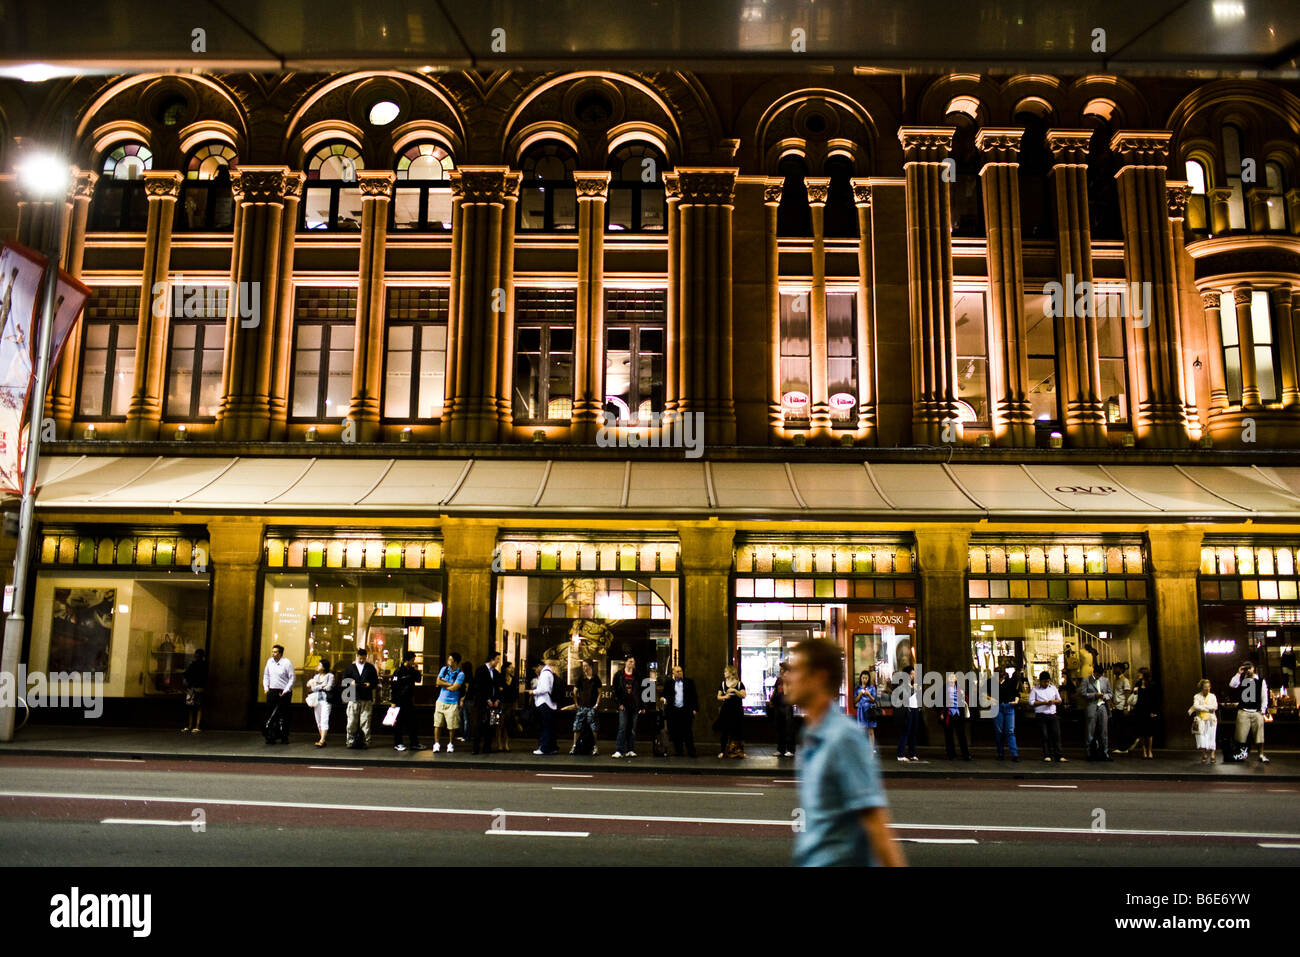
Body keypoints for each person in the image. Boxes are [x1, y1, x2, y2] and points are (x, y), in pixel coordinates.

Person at [786, 638, 906, 867]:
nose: (788, 677)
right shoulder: (811, 737)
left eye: (796, 670)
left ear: (818, 677)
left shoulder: (843, 737)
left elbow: (875, 822)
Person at [1229, 660, 1270, 764]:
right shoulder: (1242, 678)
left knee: (1259, 735)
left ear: (1253, 668)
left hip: (1256, 711)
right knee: (1241, 735)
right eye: (1246, 668)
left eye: (1249, 667)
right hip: (1244, 711)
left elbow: (1264, 695)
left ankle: (1261, 754)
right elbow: (1232, 685)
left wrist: (1263, 710)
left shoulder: (1260, 680)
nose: (1248, 670)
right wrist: (1239, 673)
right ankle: (1242, 754)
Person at [343, 648, 378, 749]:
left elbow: (375, 681)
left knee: (365, 721)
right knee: (352, 721)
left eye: (363, 658)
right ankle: (350, 741)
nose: (362, 660)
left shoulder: (370, 668)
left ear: (366, 657)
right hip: (354, 697)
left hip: (366, 697)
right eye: (360, 658)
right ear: (356, 656)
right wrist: (350, 683)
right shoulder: (350, 668)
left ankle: (366, 741)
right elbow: (344, 681)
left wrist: (370, 684)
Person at [389, 650, 424, 752]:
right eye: (412, 660)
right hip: (399, 701)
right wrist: (393, 702)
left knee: (412, 723)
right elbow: (394, 687)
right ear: (407, 660)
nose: (414, 662)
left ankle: (414, 743)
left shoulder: (412, 671)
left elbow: (418, 680)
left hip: (409, 700)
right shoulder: (398, 672)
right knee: (398, 724)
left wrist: (416, 670)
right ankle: (398, 743)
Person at [1028, 671, 1065, 763]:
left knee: (1056, 735)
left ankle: (1059, 755)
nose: (1046, 683)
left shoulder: (1053, 688)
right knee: (1044, 735)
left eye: (1047, 681)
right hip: (1041, 715)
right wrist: (1043, 703)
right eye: (1044, 682)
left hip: (1052, 714)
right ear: (1040, 681)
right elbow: (1031, 702)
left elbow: (1059, 700)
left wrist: (1053, 701)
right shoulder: (1035, 690)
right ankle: (1047, 754)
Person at [663, 664, 698, 757]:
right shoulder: (669, 683)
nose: (680, 673)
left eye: (681, 671)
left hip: (686, 710)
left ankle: (691, 751)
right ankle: (679, 751)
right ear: (673, 673)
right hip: (674, 710)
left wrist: (695, 708)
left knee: (688, 732)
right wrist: (663, 699)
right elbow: (664, 695)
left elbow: (694, 696)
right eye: (677, 671)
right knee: (675, 732)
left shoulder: (689, 682)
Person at [262, 644, 295, 745]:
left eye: (275, 652)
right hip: (272, 690)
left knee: (284, 714)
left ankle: (284, 736)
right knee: (270, 714)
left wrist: (286, 690)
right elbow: (266, 675)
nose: (273, 654)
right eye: (272, 652)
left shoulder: (286, 663)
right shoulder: (269, 661)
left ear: (280, 653)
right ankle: (270, 736)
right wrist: (266, 688)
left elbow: (292, 678)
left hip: (283, 691)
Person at [1080, 663, 1113, 761]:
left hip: (1102, 706)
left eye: (1100, 675)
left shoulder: (1105, 680)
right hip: (1092, 706)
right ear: (1094, 672)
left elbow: (1110, 693)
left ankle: (1104, 753)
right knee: (1090, 730)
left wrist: (1105, 696)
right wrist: (1094, 695)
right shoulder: (1086, 680)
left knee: (1104, 731)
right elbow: (1083, 693)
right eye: (1097, 675)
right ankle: (1089, 753)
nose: (1099, 677)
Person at [432, 652, 463, 753]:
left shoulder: (460, 674)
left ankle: (450, 744)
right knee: (437, 724)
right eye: (448, 660)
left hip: (452, 702)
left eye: (451, 660)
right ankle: (436, 744)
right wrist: (449, 684)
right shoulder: (444, 669)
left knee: (451, 725)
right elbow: (438, 682)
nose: (449, 662)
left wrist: (443, 684)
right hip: (441, 700)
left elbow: (455, 688)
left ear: (456, 662)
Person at [570, 658, 602, 755]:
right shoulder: (581, 678)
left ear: (590, 666)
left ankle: (595, 747)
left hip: (592, 706)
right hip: (582, 706)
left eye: (586, 666)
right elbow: (574, 691)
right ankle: (574, 746)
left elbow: (600, 692)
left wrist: (597, 704)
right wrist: (576, 703)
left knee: (593, 727)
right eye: (583, 666)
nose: (584, 668)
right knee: (577, 726)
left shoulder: (596, 678)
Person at [472, 652, 502, 755]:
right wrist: (487, 700)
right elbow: (478, 687)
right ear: (492, 659)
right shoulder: (480, 670)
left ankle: (487, 747)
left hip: (495, 704)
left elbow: (499, 688)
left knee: (492, 725)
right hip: (482, 704)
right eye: (497, 659)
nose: (498, 661)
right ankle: (476, 748)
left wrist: (497, 700)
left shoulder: (497, 673)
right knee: (480, 725)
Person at [715, 665, 746, 759]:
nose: (724, 673)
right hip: (726, 710)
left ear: (731, 673)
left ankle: (739, 751)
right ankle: (722, 750)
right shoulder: (723, 684)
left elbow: (743, 695)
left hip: (736, 710)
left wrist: (735, 690)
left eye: (726, 672)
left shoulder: (739, 684)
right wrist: (725, 697)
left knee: (738, 731)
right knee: (724, 731)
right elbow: (718, 696)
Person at [612, 656, 641, 758]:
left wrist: (641, 705)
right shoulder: (619, 675)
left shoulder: (637, 675)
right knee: (622, 727)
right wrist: (619, 703)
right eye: (630, 661)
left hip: (634, 705)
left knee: (632, 729)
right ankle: (619, 750)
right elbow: (614, 690)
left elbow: (641, 691)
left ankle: (630, 749)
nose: (632, 663)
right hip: (623, 705)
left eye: (633, 662)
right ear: (625, 662)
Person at [532, 658, 562, 755]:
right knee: (550, 726)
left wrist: (533, 692)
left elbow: (544, 689)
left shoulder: (545, 674)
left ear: (539, 666)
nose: (535, 671)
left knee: (545, 726)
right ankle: (552, 747)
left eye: (535, 669)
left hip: (545, 703)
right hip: (550, 703)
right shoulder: (550, 672)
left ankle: (544, 748)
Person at [1128, 666, 1159, 759]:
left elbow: (1155, 699)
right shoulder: (1137, 684)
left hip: (1148, 710)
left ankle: (1149, 750)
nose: (1138, 675)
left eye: (1140, 673)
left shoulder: (1152, 684)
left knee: (1149, 732)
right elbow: (1133, 697)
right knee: (1141, 732)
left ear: (1144, 674)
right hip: (1139, 710)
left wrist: (1154, 711)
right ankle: (1144, 750)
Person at [941, 672, 971, 761]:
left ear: (955, 679)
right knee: (949, 735)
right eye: (949, 677)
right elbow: (937, 700)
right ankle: (951, 754)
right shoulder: (943, 688)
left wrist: (963, 695)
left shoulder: (959, 688)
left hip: (958, 714)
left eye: (953, 677)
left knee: (962, 735)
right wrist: (941, 713)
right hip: (948, 714)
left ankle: (966, 755)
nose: (951, 679)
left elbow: (966, 700)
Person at [993, 667, 1020, 762]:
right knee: (999, 731)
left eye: (1001, 677)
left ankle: (1014, 754)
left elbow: (1016, 694)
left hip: (1009, 706)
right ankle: (1000, 753)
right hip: (997, 707)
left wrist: (1016, 702)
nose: (999, 679)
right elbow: (983, 694)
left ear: (1004, 675)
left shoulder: (1010, 682)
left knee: (1010, 731)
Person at [306, 658, 335, 748]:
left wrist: (317, 686)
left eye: (319, 665)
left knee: (324, 719)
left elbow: (329, 687)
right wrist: (322, 685)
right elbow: (312, 688)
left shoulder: (330, 676)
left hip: (326, 700)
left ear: (324, 667)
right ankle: (323, 739)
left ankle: (322, 740)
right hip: (317, 700)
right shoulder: (316, 676)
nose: (318, 666)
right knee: (318, 720)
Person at [1189, 678, 1219, 764]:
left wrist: (1203, 707)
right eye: (1205, 687)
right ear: (1202, 687)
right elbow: (1196, 706)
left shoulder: (1212, 696)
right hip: (1201, 719)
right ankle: (1204, 754)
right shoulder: (1197, 696)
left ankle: (1212, 755)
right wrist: (1207, 708)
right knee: (1202, 737)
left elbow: (1215, 707)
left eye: (1208, 687)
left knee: (1211, 736)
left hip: (1211, 719)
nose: (1207, 689)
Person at [770, 662, 797, 756]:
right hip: (778, 705)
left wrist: (785, 681)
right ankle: (780, 749)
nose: (780, 671)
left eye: (782, 669)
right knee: (779, 727)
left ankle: (790, 749)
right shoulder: (778, 680)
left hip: (787, 705)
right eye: (780, 669)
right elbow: (775, 690)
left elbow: (787, 693)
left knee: (789, 727)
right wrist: (772, 700)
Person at [894, 665, 920, 763]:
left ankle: (912, 754)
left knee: (913, 732)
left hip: (914, 709)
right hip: (907, 710)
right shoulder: (902, 684)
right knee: (905, 732)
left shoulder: (912, 684)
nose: (913, 676)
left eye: (913, 674)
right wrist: (913, 689)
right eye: (911, 674)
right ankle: (900, 754)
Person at [1109, 662, 1133, 753]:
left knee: (1123, 728)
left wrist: (1126, 707)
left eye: (1116, 668)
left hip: (1122, 707)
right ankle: (1120, 746)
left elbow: (1127, 694)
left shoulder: (1125, 680)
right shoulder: (1116, 680)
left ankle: (1124, 747)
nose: (1114, 670)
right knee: (1118, 727)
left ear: (1121, 669)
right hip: (1117, 707)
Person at [182, 648, 207, 734]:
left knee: (190, 707)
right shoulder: (204, 665)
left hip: (191, 688)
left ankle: (190, 725)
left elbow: (186, 674)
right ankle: (197, 726)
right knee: (198, 707)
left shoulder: (192, 664)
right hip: (199, 687)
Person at [496, 661, 519, 753]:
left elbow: (515, 693)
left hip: (510, 704)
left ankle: (506, 743)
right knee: (499, 724)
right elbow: (498, 691)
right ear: (505, 669)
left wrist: (515, 705)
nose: (512, 668)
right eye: (510, 667)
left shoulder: (514, 679)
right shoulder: (500, 678)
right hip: (500, 704)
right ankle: (499, 743)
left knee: (507, 724)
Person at [853, 670, 878, 744]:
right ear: (860, 678)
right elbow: (855, 701)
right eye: (863, 678)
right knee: (862, 731)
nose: (864, 680)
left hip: (870, 710)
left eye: (866, 678)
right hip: (861, 710)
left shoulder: (872, 687)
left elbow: (874, 700)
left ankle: (871, 749)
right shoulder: (857, 688)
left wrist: (868, 694)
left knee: (871, 730)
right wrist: (860, 694)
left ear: (868, 679)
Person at [456, 658, 473, 744]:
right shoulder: (470, 676)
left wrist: (462, 699)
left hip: (466, 700)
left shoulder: (466, 677)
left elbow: (466, 689)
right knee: (464, 718)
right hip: (468, 700)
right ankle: (464, 735)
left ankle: (466, 736)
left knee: (465, 718)